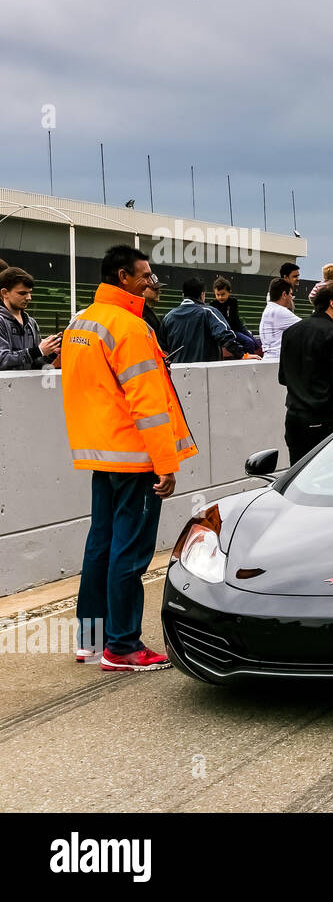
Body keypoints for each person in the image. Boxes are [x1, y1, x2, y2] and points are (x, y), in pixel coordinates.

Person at [62, 245, 196, 672]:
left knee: (99, 545)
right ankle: (122, 647)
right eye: (146, 275)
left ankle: (91, 638)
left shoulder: (80, 323)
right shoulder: (131, 328)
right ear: (123, 277)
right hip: (135, 456)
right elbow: (147, 404)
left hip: (100, 453)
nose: (152, 282)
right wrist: (165, 463)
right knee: (130, 552)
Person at [279, 282, 333, 464]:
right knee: (325, 475)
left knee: (297, 477)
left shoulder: (290, 331)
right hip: (322, 419)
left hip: (293, 420)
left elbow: (283, 377)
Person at [163, 277, 248, 363]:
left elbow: (162, 349)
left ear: (183, 295)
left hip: (177, 373)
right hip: (206, 373)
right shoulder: (208, 312)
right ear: (202, 294)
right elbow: (226, 336)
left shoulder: (168, 317)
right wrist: (242, 355)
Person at [0, 264, 61, 370]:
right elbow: (3, 360)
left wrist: (51, 352)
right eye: (22, 293)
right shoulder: (1, 321)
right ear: (5, 293)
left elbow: (37, 364)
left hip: (27, 385)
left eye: (29, 293)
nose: (29, 298)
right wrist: (38, 351)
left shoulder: (31, 323)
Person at [211, 277, 258, 355]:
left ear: (229, 292)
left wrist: (245, 332)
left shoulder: (233, 302)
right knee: (249, 342)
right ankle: (247, 361)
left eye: (223, 294)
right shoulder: (213, 305)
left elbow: (236, 321)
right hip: (227, 331)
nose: (220, 297)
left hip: (236, 328)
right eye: (217, 295)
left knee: (255, 343)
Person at [259, 278, 300, 360]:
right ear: (284, 295)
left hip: (269, 357)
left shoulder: (269, 309)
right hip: (278, 360)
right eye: (291, 294)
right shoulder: (280, 311)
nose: (291, 298)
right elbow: (308, 327)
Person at [140, 274, 168, 354]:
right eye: (155, 289)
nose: (159, 291)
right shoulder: (140, 312)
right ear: (144, 289)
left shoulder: (148, 311)